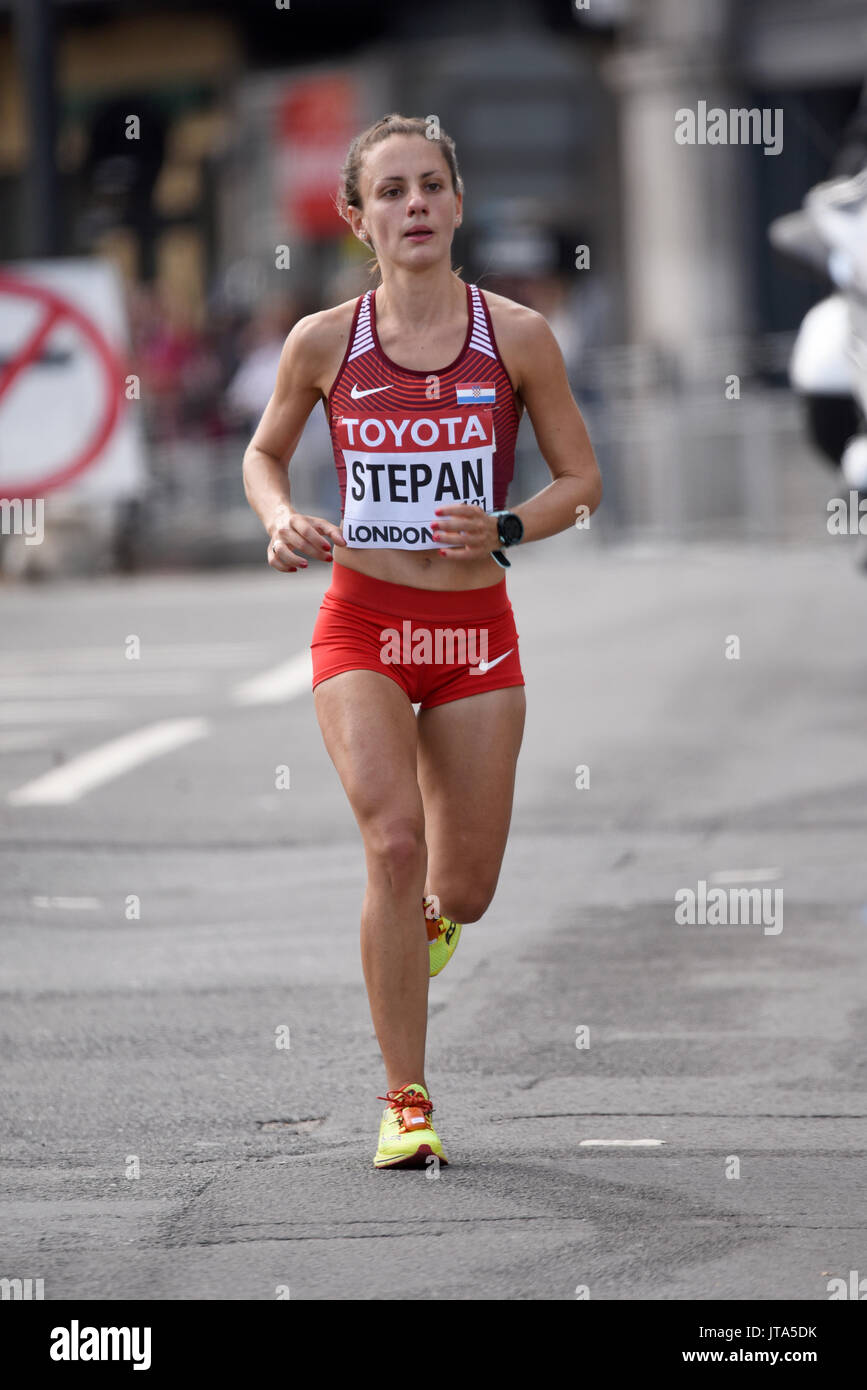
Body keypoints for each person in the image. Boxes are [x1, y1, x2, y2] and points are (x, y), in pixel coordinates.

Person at [242, 114, 601, 1168]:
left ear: (456, 203)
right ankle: (406, 1101)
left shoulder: (519, 336)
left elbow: (582, 483)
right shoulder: (322, 341)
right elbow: (264, 456)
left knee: (467, 886)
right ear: (357, 218)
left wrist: (502, 524)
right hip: (362, 619)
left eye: (431, 186)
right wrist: (278, 519)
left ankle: (435, 919)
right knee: (391, 843)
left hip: (475, 629)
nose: (414, 206)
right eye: (390, 191)